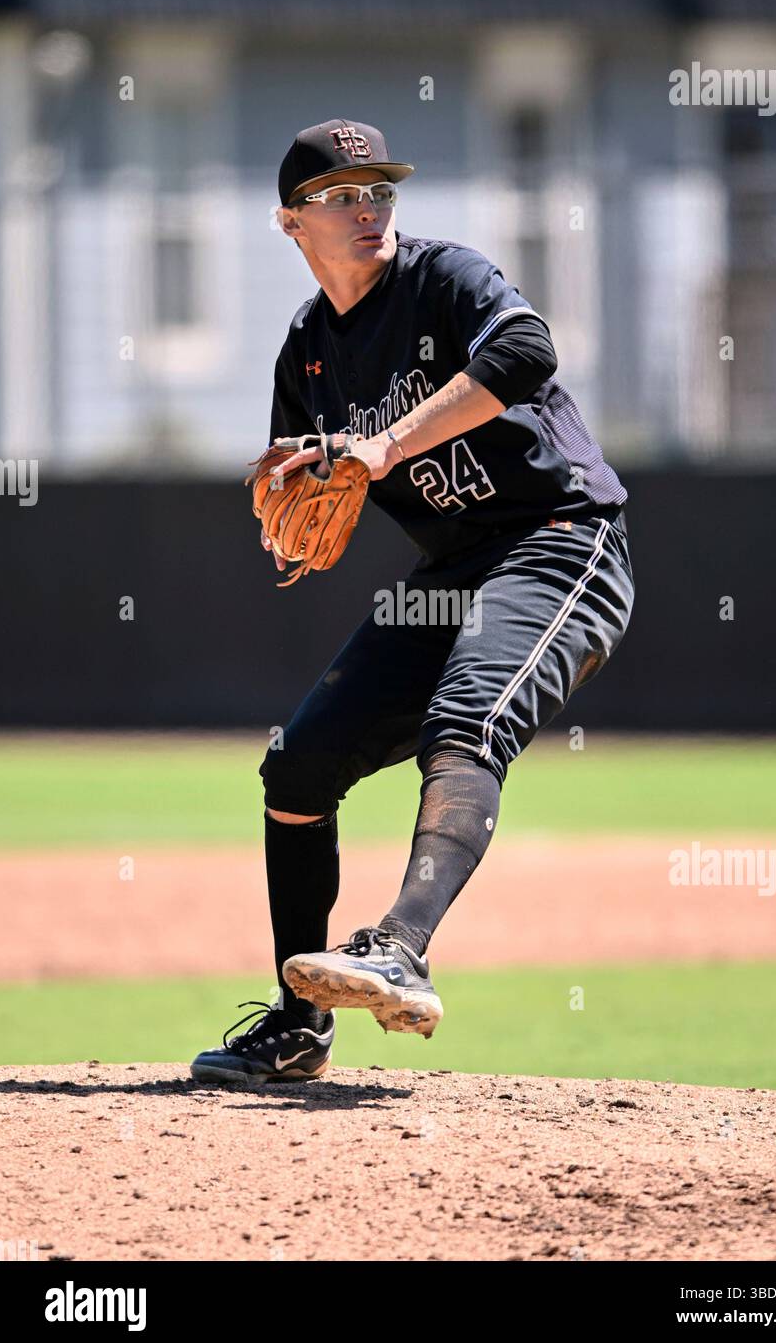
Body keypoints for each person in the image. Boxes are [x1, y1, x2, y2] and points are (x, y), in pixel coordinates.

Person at [191, 119, 634, 1086]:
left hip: (560, 542)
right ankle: (301, 1022)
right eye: (342, 196)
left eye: (380, 191)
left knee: (466, 718)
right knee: (297, 768)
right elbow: (305, 474)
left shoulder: (445, 279)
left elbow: (525, 351)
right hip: (455, 570)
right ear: (291, 224)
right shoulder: (308, 351)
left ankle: (399, 948)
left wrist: (384, 448)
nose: (369, 210)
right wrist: (299, 485)